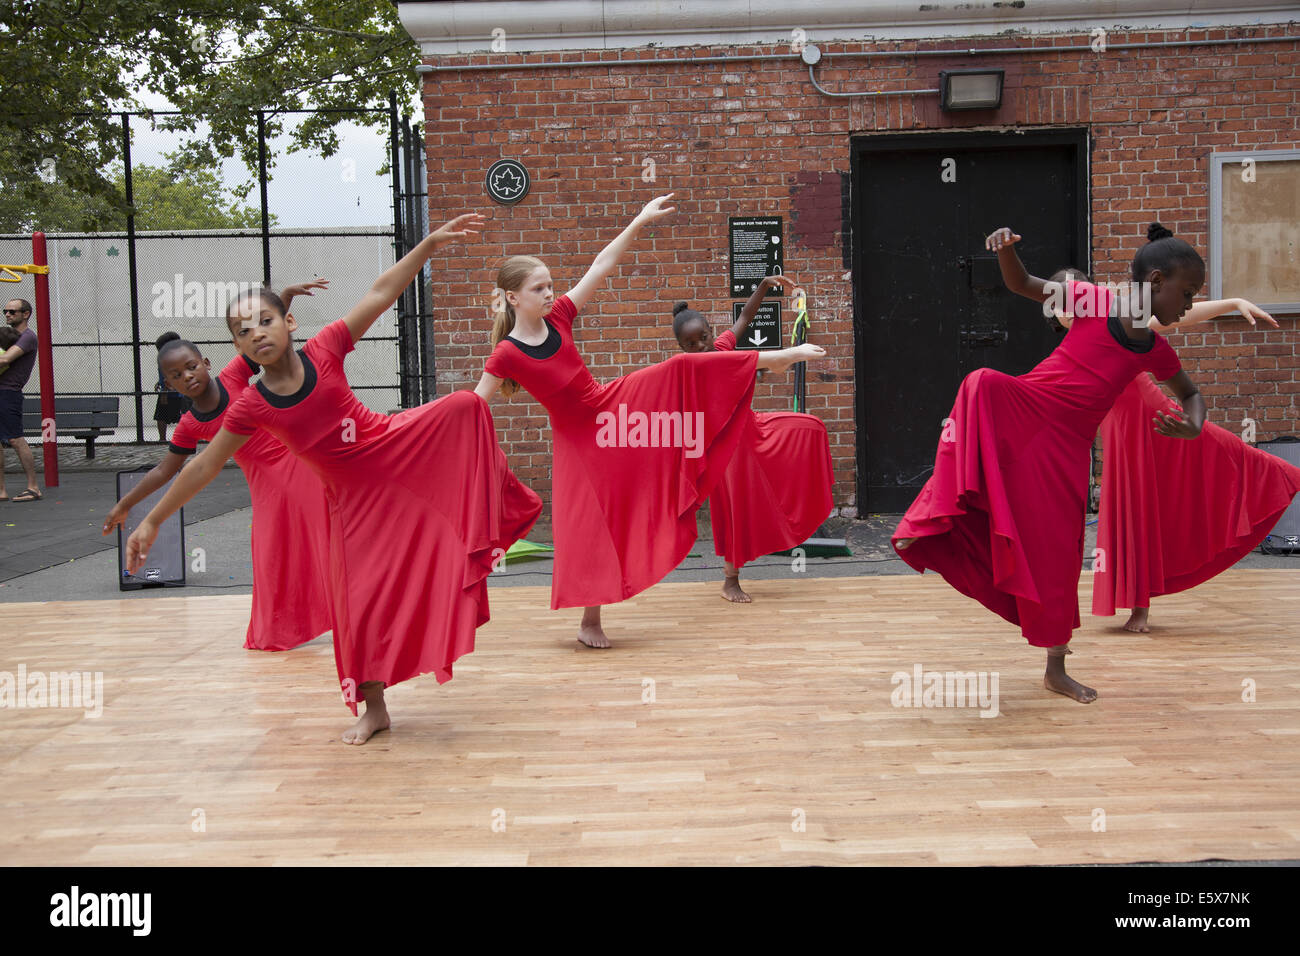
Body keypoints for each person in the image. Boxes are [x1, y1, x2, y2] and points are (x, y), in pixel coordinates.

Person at [126, 214, 543, 745]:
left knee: (464, 407)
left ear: (289, 323)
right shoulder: (251, 405)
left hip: (390, 448)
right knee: (357, 604)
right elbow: (203, 465)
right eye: (242, 330)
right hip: (349, 501)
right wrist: (153, 521)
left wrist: (430, 244)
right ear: (237, 347)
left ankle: (500, 510)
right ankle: (375, 708)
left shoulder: (326, 349)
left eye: (264, 321)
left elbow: (380, 291)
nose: (256, 332)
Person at [474, 194, 827, 647]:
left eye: (550, 285)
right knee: (588, 524)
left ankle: (775, 359)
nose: (549, 293)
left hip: (608, 409)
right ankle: (589, 622)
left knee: (681, 369)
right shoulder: (507, 353)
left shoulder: (559, 316)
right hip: (577, 441)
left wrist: (639, 219)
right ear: (512, 296)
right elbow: (476, 404)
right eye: (539, 288)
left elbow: (601, 265)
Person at [893, 223, 1208, 703]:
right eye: (1187, 294)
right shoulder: (1091, 300)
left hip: (1067, 450)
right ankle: (930, 516)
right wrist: (1006, 250)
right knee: (981, 381)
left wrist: (1194, 424)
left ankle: (1055, 668)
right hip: (1028, 410)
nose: (1188, 305)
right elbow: (1023, 284)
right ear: (1157, 280)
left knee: (1058, 557)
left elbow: (1191, 394)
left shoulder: (1156, 348)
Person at [104, 281, 334, 652]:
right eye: (176, 376)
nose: (187, 377)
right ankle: (279, 631)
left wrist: (285, 295)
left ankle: (353, 609)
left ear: (206, 364)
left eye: (191, 367)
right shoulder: (190, 424)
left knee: (327, 540)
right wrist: (126, 505)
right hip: (264, 482)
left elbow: (264, 332)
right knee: (272, 556)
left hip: (300, 462)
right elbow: (166, 471)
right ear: (169, 384)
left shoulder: (234, 376)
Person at [1090, 294, 1300, 632]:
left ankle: (1286, 476)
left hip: (1148, 415)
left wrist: (1232, 302)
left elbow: (1172, 318)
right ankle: (1137, 604)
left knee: (1219, 451)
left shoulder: (1115, 318)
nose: (1063, 308)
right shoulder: (1073, 338)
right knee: (1134, 505)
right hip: (1117, 423)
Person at [671, 275, 835, 602]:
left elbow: (744, 318)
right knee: (735, 511)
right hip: (725, 453)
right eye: (692, 343)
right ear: (682, 348)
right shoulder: (688, 368)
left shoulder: (720, 348)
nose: (701, 345)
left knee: (811, 427)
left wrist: (763, 286)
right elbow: (754, 362)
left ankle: (814, 499)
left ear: (710, 333)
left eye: (704, 337)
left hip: (752, 430)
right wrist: (794, 352)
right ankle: (730, 581)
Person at [0, 297, 41, 502]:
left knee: (16, 439)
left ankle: (33, 487)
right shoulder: (9, 335)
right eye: (5, 311)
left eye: (12, 311)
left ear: (26, 314)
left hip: (8, 392)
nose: (7, 314)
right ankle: (1, 490)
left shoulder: (28, 337)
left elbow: (6, 359)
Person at [152, 331, 192, 442]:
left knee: (161, 417)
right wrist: (159, 383)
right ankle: (183, 438)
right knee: (182, 416)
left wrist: (164, 392)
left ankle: (162, 439)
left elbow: (167, 376)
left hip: (169, 392)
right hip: (179, 392)